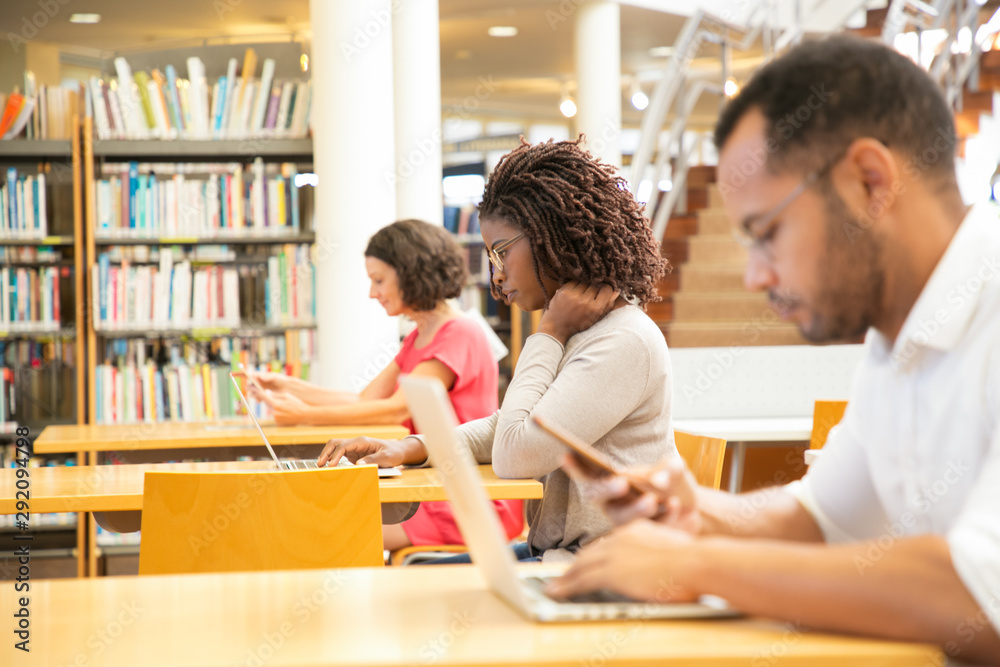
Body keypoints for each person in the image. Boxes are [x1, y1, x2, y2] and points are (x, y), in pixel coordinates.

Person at [546, 35, 1000, 664]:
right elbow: (820, 519)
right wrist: (698, 513)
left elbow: (978, 593)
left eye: (768, 234)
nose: (756, 276)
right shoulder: (895, 338)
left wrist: (698, 563)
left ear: (871, 182)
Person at [319, 138, 674, 562]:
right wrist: (413, 447)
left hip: (604, 565)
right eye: (490, 255)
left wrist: (549, 332)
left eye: (503, 252)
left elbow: (517, 452)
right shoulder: (586, 333)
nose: (497, 275)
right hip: (561, 553)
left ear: (554, 236)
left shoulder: (622, 341)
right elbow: (508, 425)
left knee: (414, 589)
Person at [248, 218, 523, 552]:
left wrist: (305, 414)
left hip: (470, 498)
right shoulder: (419, 337)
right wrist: (288, 386)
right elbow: (363, 399)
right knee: (322, 526)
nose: (372, 293)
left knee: (326, 535)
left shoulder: (459, 333)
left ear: (411, 273)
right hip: (436, 485)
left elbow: (397, 408)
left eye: (379, 280)